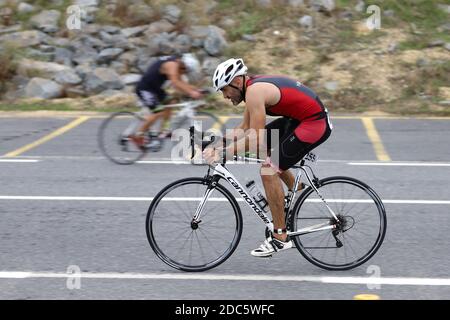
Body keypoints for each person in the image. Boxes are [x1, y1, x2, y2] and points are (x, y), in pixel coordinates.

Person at [203, 58, 333, 257]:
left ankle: (280, 238)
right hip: (298, 120)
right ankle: (296, 191)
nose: (224, 96)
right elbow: (244, 128)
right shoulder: (251, 89)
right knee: (266, 151)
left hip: (313, 123)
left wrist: (224, 153)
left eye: (224, 89)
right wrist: (218, 143)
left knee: (268, 170)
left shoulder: (254, 92)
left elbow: (254, 139)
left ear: (236, 82)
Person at [129, 53, 203, 148]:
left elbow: (181, 83)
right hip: (145, 88)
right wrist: (191, 93)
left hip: (155, 88)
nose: (185, 73)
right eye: (186, 70)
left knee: (170, 101)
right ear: (183, 65)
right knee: (157, 111)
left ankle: (163, 131)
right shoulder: (172, 65)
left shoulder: (177, 65)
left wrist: (195, 90)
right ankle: (138, 135)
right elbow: (175, 83)